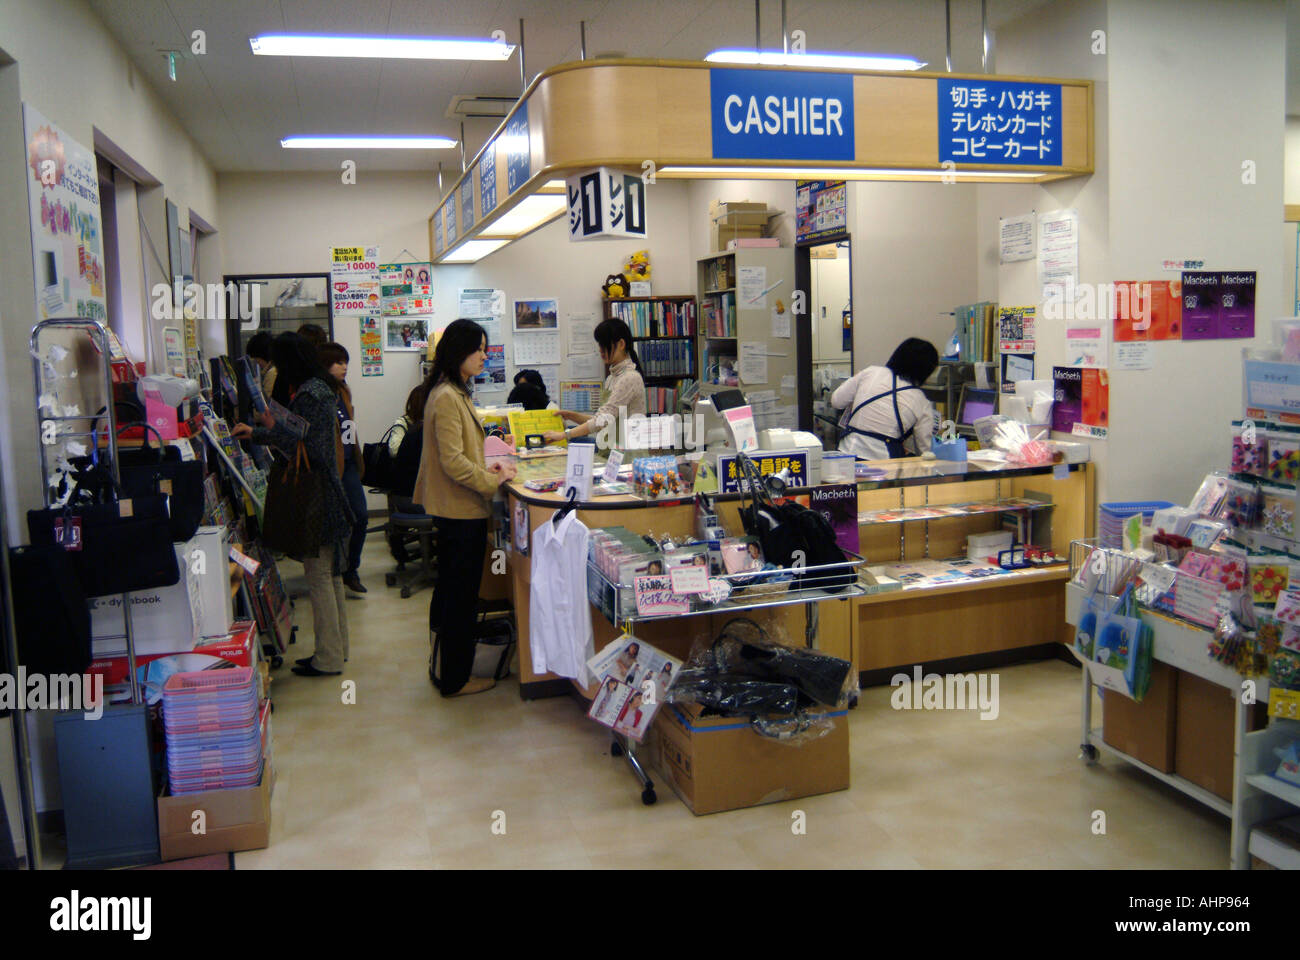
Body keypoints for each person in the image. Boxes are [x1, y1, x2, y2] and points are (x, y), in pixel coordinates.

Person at [233, 333, 353, 678]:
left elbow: (304, 445)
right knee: (330, 577)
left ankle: (328, 658)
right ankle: (337, 649)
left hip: (315, 493)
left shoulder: (308, 393)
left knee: (319, 577)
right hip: (327, 488)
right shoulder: (323, 388)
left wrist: (259, 433)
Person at [414, 319, 517, 697]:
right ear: (460, 352)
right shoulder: (445, 397)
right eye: (479, 349)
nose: (484, 355)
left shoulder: (453, 392)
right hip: (460, 512)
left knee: (452, 594)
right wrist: (492, 479)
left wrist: (486, 465)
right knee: (459, 598)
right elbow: (453, 463)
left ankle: (446, 669)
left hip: (460, 508)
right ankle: (455, 679)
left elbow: (460, 455)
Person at [544, 318, 646, 447]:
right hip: (612, 451)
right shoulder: (612, 377)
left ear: (621, 344)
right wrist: (571, 415)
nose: (600, 350)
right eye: (599, 345)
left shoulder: (630, 378)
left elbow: (603, 420)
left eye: (604, 345)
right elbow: (601, 418)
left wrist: (564, 435)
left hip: (628, 454)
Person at [833, 337, 940, 460]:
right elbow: (924, 451)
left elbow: (836, 401)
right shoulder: (921, 401)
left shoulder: (871, 372)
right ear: (925, 371)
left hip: (847, 451)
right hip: (883, 461)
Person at [319, 342, 369, 595]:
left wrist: (353, 454)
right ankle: (338, 571)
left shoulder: (343, 392)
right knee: (338, 523)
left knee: (361, 515)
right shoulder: (318, 394)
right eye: (338, 362)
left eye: (345, 361)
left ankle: (351, 570)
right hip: (330, 467)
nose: (344, 367)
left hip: (348, 463)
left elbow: (349, 428)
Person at [245, 331, 277, 399]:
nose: (257, 363)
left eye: (256, 359)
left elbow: (268, 405)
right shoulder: (274, 369)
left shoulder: (272, 373)